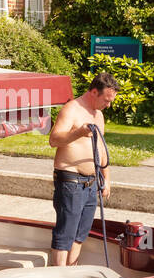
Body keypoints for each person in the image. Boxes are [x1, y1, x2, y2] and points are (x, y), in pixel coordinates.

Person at [47, 71, 117, 266]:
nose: (108, 105)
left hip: (91, 182)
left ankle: (71, 273)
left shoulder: (99, 115)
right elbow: (54, 140)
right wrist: (78, 132)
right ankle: (58, 277)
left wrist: (106, 178)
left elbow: (102, 147)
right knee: (66, 231)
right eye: (106, 100)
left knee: (80, 233)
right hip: (71, 179)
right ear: (94, 92)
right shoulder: (72, 109)